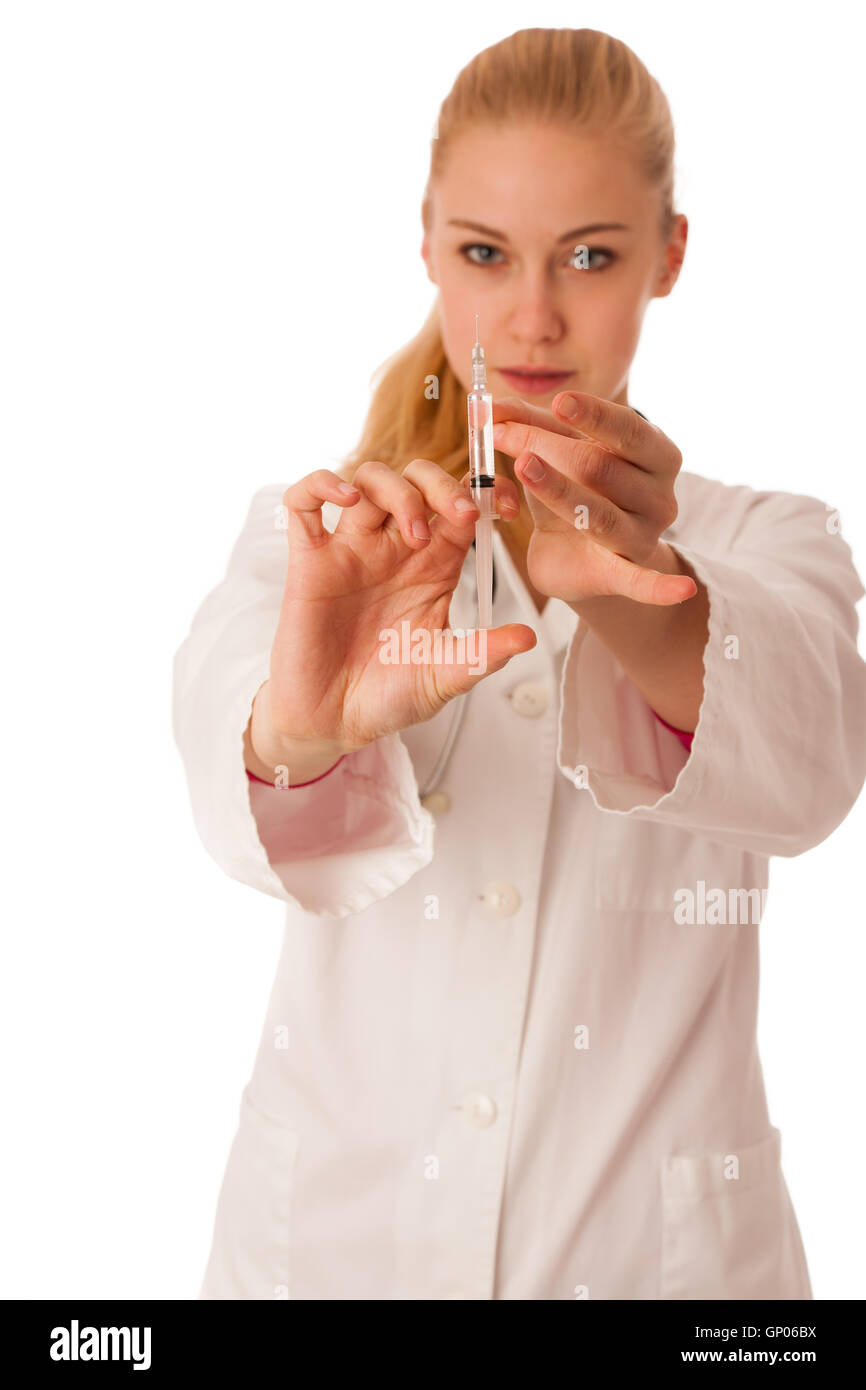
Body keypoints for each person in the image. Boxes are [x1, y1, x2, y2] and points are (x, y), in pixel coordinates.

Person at [172, 27, 866, 1300]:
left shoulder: (770, 541)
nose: (533, 315)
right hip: (331, 1251)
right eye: (485, 253)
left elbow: (809, 769)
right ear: (427, 246)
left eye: (589, 255)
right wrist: (298, 728)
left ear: (668, 255)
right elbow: (233, 794)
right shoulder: (327, 535)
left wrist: (635, 589)